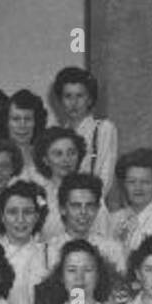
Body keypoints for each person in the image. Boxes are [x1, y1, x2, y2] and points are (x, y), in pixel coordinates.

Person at [53, 66, 118, 205]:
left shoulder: (103, 129)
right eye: (68, 96)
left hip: (92, 208)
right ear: (60, 100)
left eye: (79, 96)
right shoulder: (55, 136)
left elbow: (105, 179)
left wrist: (85, 206)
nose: (74, 103)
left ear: (89, 99)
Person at [46, 172, 127, 278]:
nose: (83, 212)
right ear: (63, 209)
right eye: (76, 206)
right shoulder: (48, 251)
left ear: (98, 208)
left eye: (89, 205)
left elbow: (120, 290)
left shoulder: (112, 249)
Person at [0, 180, 50, 304]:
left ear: (37, 217)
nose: (20, 219)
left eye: (27, 212)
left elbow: (76, 290)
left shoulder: (50, 253)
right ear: (2, 217)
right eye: (12, 212)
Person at [28, 126, 92, 241]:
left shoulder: (91, 193)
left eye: (71, 153)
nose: (66, 159)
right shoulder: (38, 196)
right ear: (45, 160)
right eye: (58, 154)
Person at [4, 89, 48, 178]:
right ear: (6, 123)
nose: (22, 125)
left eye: (28, 119)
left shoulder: (46, 157)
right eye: (16, 119)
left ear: (36, 122)